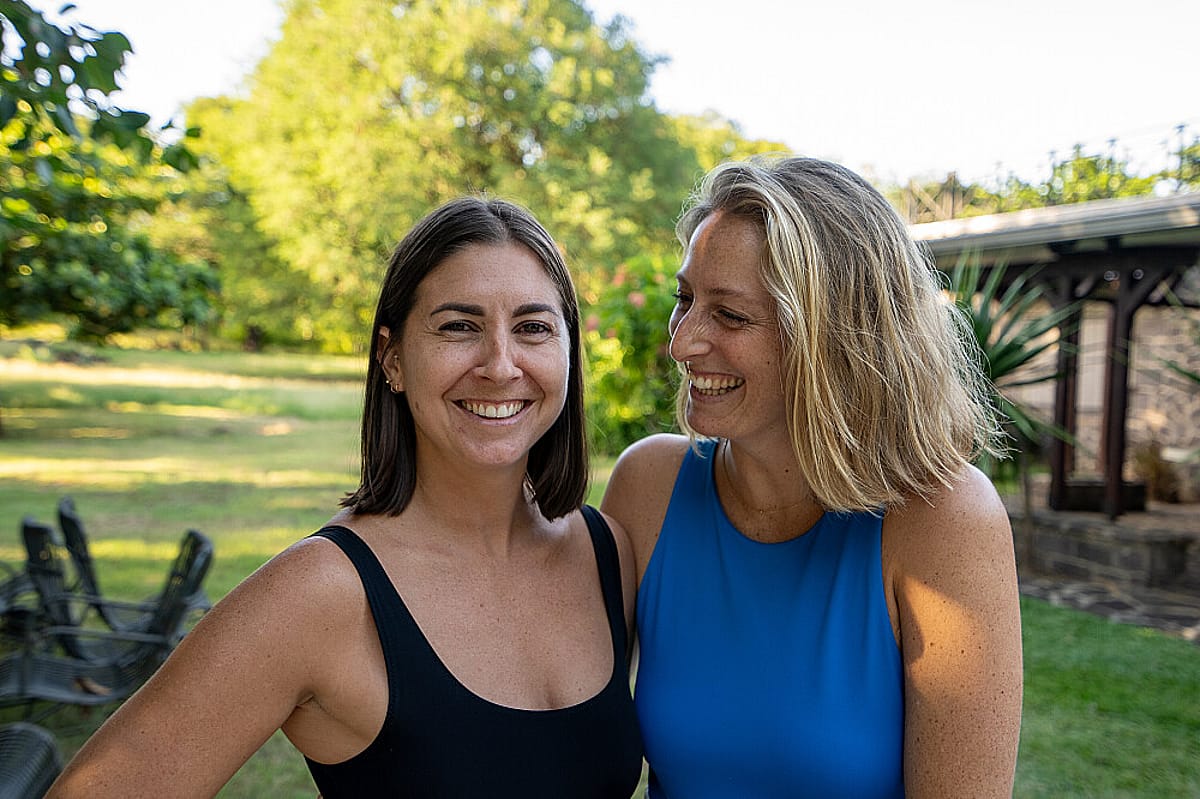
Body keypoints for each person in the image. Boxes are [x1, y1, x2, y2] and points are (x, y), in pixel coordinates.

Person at [48, 197, 644, 798]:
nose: (499, 364)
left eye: (533, 328)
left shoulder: (606, 556)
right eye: (459, 326)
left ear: (568, 351)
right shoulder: (320, 593)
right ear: (392, 358)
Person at [602, 156, 1023, 798]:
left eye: (730, 316)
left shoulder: (944, 519)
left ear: (834, 342)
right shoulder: (649, 486)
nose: (682, 342)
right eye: (685, 300)